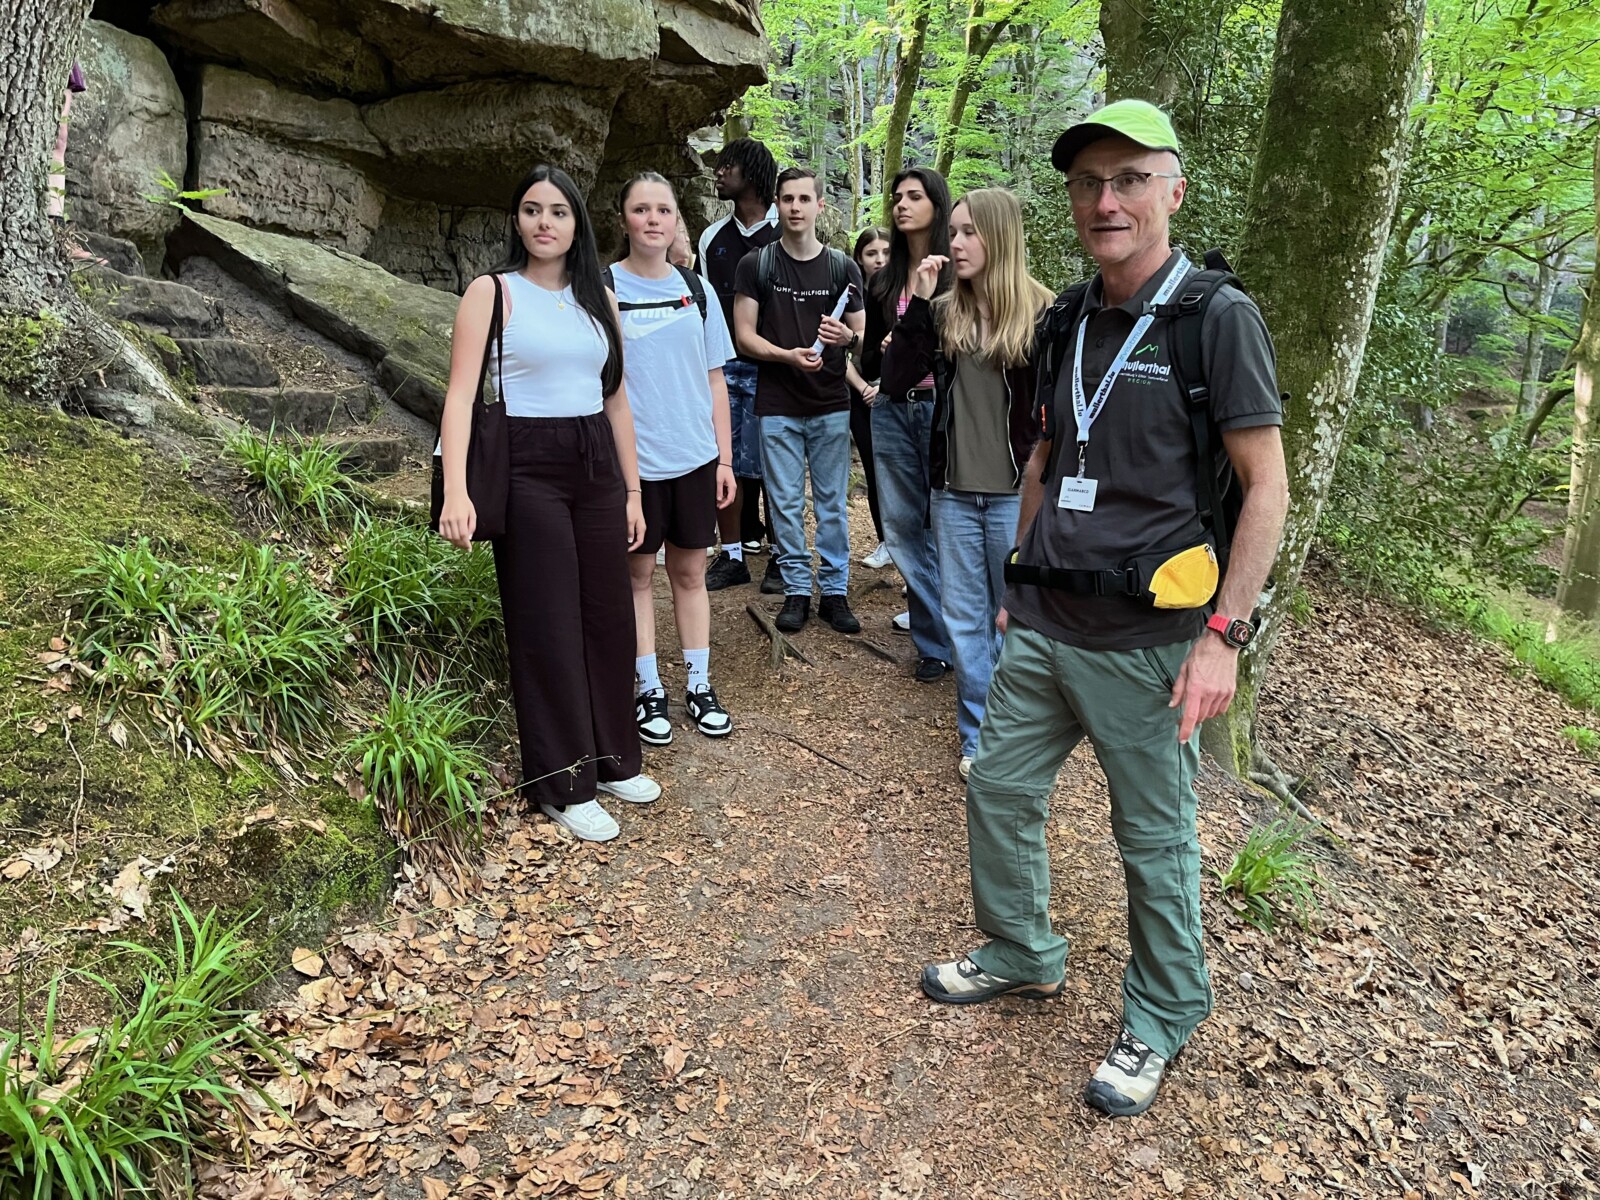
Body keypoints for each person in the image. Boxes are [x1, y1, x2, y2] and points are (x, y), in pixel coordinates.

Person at [919, 101, 1290, 1118]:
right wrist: (1019, 577)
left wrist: (1225, 637)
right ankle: (1019, 949)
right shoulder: (1068, 317)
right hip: (1047, 621)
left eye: (1129, 180)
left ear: (1173, 191)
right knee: (998, 787)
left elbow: (1266, 486)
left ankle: (1162, 1013)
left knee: (1152, 840)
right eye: (1088, 183)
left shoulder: (1215, 319)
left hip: (1153, 641)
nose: (1106, 201)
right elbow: (1045, 453)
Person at [438, 164, 661, 845]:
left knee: (608, 615)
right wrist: (456, 489)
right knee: (549, 621)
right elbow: (460, 397)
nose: (544, 222)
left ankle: (613, 757)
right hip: (528, 464)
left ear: (576, 224)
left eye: (558, 212)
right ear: (517, 220)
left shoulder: (600, 298)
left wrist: (633, 490)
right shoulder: (492, 292)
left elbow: (618, 401)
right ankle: (564, 783)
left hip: (596, 462)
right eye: (532, 210)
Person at [881, 188, 1052, 781]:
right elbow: (896, 381)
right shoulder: (943, 312)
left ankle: (1013, 731)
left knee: (1014, 616)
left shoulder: (1043, 314)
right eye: (953, 232)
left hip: (1015, 497)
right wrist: (916, 304)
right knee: (963, 620)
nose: (955, 243)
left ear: (999, 237)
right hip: (952, 493)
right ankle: (978, 736)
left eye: (969, 232)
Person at [610, 172, 738, 743]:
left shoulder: (697, 289)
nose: (653, 220)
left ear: (675, 220)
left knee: (689, 572)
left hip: (694, 456)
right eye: (641, 209)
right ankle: (648, 689)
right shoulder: (603, 289)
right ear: (624, 219)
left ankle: (699, 684)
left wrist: (725, 460)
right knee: (638, 575)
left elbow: (715, 380)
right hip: (633, 463)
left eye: (663, 209)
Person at [732, 167, 866, 635]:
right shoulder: (756, 264)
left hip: (830, 401)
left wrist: (845, 336)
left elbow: (860, 335)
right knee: (785, 502)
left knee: (832, 503)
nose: (795, 207)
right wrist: (786, 355)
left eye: (804, 199)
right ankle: (796, 592)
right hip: (777, 404)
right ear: (777, 204)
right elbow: (744, 336)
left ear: (819, 205)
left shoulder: (842, 267)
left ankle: (835, 592)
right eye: (787, 199)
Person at [865, 169, 957, 681]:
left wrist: (913, 339)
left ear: (937, 205)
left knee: (944, 524)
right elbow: (871, 358)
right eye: (897, 196)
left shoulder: (957, 272)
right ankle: (937, 641)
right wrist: (887, 348)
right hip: (892, 408)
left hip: (944, 408)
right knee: (901, 530)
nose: (902, 204)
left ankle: (954, 637)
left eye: (914, 196)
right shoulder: (883, 279)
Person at [699, 138, 784, 593]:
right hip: (724, 368)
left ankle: (783, 555)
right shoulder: (712, 237)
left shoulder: (783, 233)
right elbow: (704, 307)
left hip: (776, 369)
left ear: (751, 172)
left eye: (727, 165)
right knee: (723, 462)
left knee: (777, 464)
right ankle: (731, 555)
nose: (718, 172)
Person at [849, 227, 891, 570]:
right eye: (871, 253)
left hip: (894, 392)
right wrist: (863, 387)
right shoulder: (850, 296)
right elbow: (839, 353)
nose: (879, 260)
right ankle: (885, 541)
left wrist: (886, 386)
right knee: (874, 468)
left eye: (886, 252)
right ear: (859, 258)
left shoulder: (903, 291)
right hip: (858, 394)